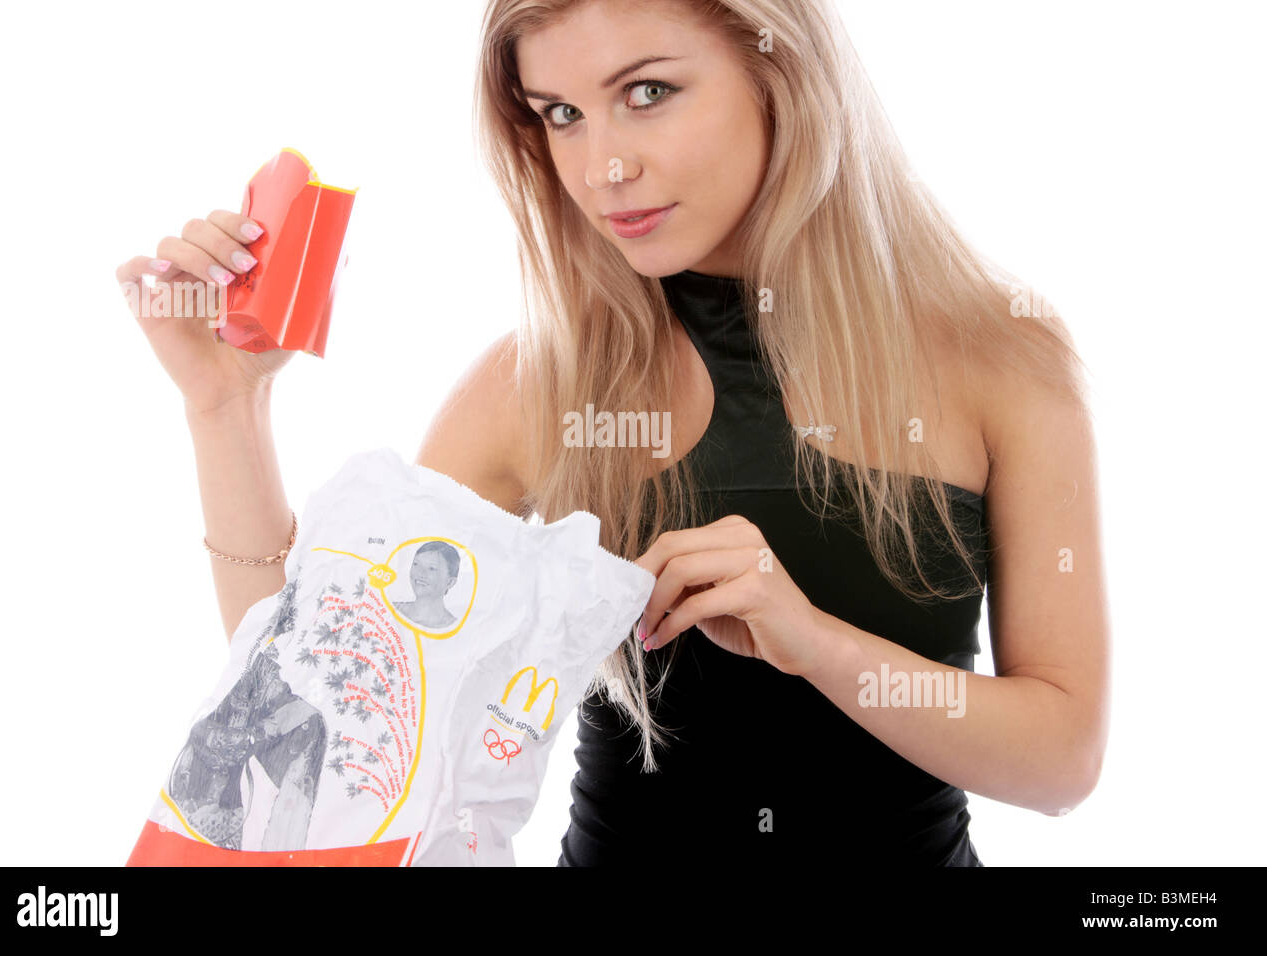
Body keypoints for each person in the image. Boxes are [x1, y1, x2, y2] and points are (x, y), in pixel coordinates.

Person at [116, 0, 1109, 866]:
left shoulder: (1002, 354)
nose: (605, 166)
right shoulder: (540, 381)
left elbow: (1063, 759)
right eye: (562, 115)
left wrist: (813, 643)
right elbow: (327, 699)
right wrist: (224, 406)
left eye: (646, 92)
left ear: (781, 69)